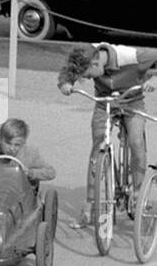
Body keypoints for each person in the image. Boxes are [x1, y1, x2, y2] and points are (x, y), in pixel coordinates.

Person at [57, 41, 157, 227]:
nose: (85, 79)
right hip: (105, 102)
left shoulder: (132, 55)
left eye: (86, 76)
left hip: (132, 101)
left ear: (96, 64)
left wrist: (153, 79)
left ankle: (137, 195)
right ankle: (89, 205)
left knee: (136, 143)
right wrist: (65, 83)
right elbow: (68, 71)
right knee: (97, 149)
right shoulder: (88, 51)